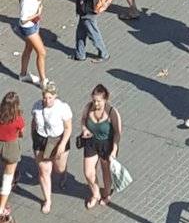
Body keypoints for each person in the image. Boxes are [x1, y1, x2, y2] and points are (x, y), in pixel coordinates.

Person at [31, 82, 72, 214]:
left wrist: (61, 144)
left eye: (50, 97)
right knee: (44, 171)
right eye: (45, 97)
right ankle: (47, 200)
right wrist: (34, 137)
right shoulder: (37, 106)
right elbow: (34, 122)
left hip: (57, 140)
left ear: (55, 96)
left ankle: (64, 172)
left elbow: (68, 128)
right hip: (41, 139)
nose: (47, 100)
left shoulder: (62, 108)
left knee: (59, 169)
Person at [79, 84, 121, 209]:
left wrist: (114, 149)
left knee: (105, 171)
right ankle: (96, 193)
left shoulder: (112, 112)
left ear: (105, 99)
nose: (96, 104)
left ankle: (107, 194)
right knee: (88, 172)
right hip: (91, 142)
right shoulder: (88, 107)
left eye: (98, 101)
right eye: (94, 100)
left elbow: (118, 133)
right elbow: (83, 120)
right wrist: (84, 129)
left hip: (106, 144)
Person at [17, 0, 47, 87]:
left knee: (28, 49)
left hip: (34, 24)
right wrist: (37, 14)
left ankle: (23, 74)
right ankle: (43, 80)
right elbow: (23, 19)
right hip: (28, 27)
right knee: (42, 52)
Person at [0, 93, 24, 211]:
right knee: (8, 177)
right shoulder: (18, 118)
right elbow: (21, 132)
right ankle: (1, 207)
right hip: (11, 146)